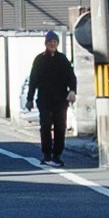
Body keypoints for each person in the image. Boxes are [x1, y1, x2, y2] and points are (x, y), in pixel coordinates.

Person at [26, 28, 76, 167]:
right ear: (46, 43)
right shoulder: (39, 60)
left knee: (60, 126)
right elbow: (33, 80)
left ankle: (57, 155)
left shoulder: (62, 59)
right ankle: (47, 154)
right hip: (44, 99)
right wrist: (29, 98)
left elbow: (71, 77)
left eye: (54, 41)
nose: (52, 44)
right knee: (46, 126)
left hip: (61, 100)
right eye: (50, 41)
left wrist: (72, 90)